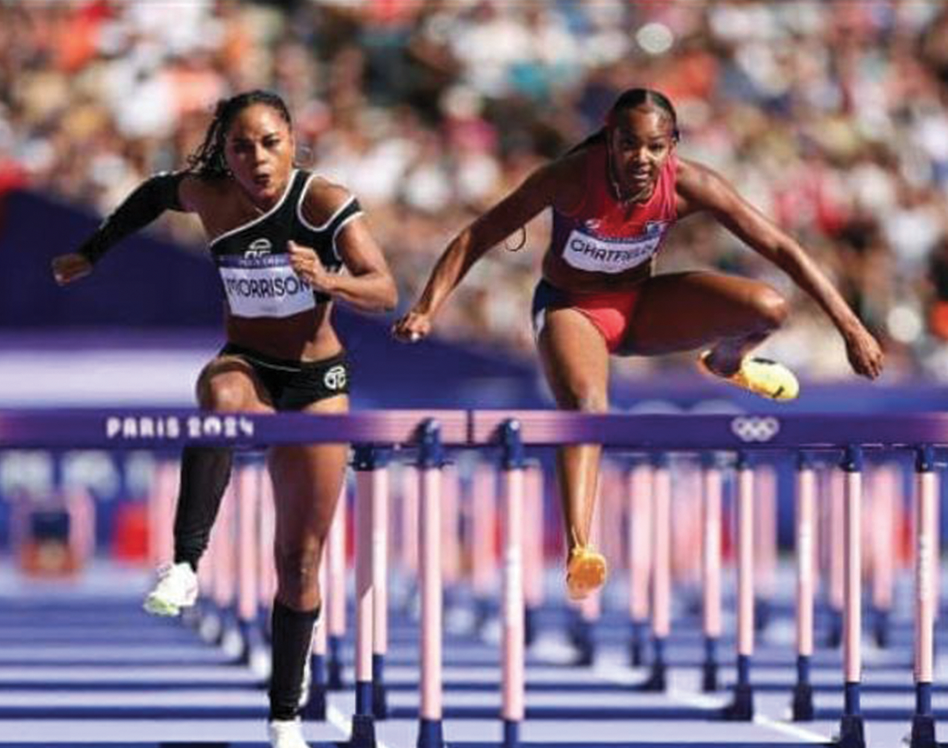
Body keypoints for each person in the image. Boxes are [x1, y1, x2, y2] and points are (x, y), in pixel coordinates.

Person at [393, 87, 883, 602]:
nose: (641, 159)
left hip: (642, 306)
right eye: (629, 145)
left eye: (655, 147)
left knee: (769, 308)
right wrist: (428, 306)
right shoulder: (570, 177)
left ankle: (727, 361)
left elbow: (782, 246)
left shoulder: (691, 184)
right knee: (588, 407)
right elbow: (477, 236)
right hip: (571, 309)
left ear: (673, 145)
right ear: (609, 139)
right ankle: (581, 549)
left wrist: (850, 326)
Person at [52, 89, 397, 748]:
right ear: (225, 155)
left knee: (300, 561)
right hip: (245, 361)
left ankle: (284, 718)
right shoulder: (207, 195)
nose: (258, 159)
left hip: (318, 381)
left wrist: (330, 281)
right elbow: (153, 196)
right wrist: (91, 253)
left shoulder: (321, 201)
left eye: (270, 142)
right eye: (242, 147)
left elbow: (382, 288)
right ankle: (185, 564)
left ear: (292, 139)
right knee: (222, 399)